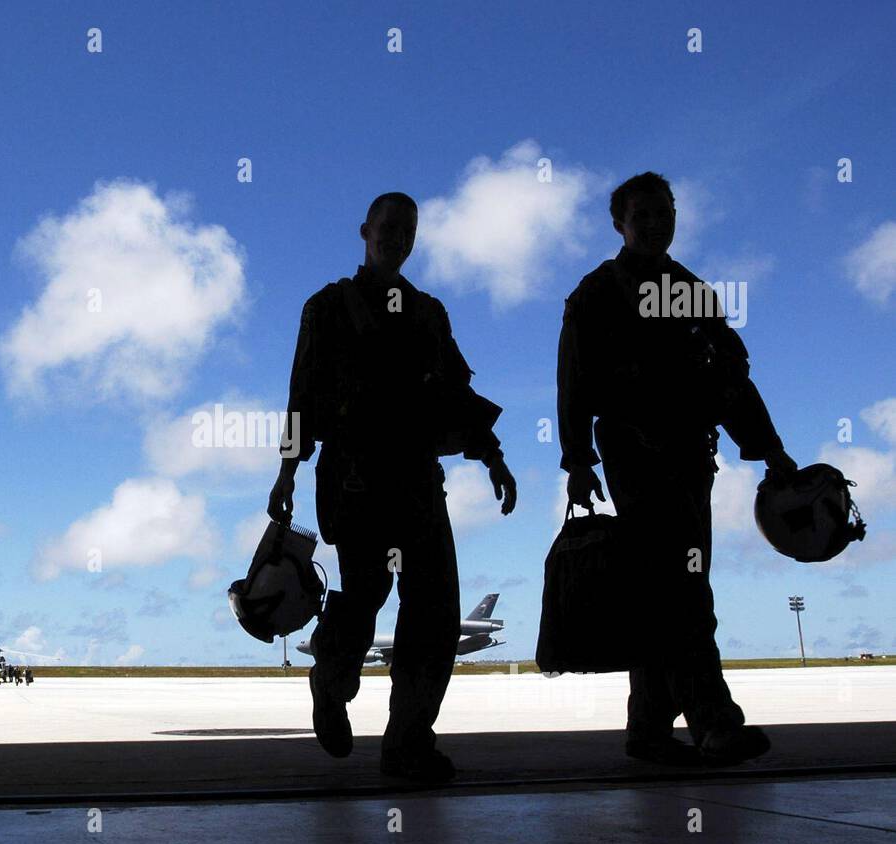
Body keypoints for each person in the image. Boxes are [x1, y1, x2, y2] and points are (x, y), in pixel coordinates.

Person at [269, 191, 517, 783]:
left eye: (407, 229)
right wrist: (287, 470)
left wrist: (493, 457)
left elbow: (457, 392)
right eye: (387, 226)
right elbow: (302, 393)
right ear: (364, 230)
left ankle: (407, 742)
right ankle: (331, 681)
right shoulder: (326, 307)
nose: (396, 237)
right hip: (355, 478)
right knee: (366, 594)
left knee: (435, 610)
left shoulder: (430, 313)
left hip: (418, 480)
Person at [557, 171, 799, 766]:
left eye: (663, 212)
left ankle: (648, 731)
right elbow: (574, 381)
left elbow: (732, 381)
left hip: (693, 459)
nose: (655, 223)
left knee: (661, 591)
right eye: (642, 214)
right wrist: (578, 459)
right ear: (620, 223)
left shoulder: (694, 293)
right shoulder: (595, 293)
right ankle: (715, 723)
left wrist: (770, 450)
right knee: (682, 588)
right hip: (635, 457)